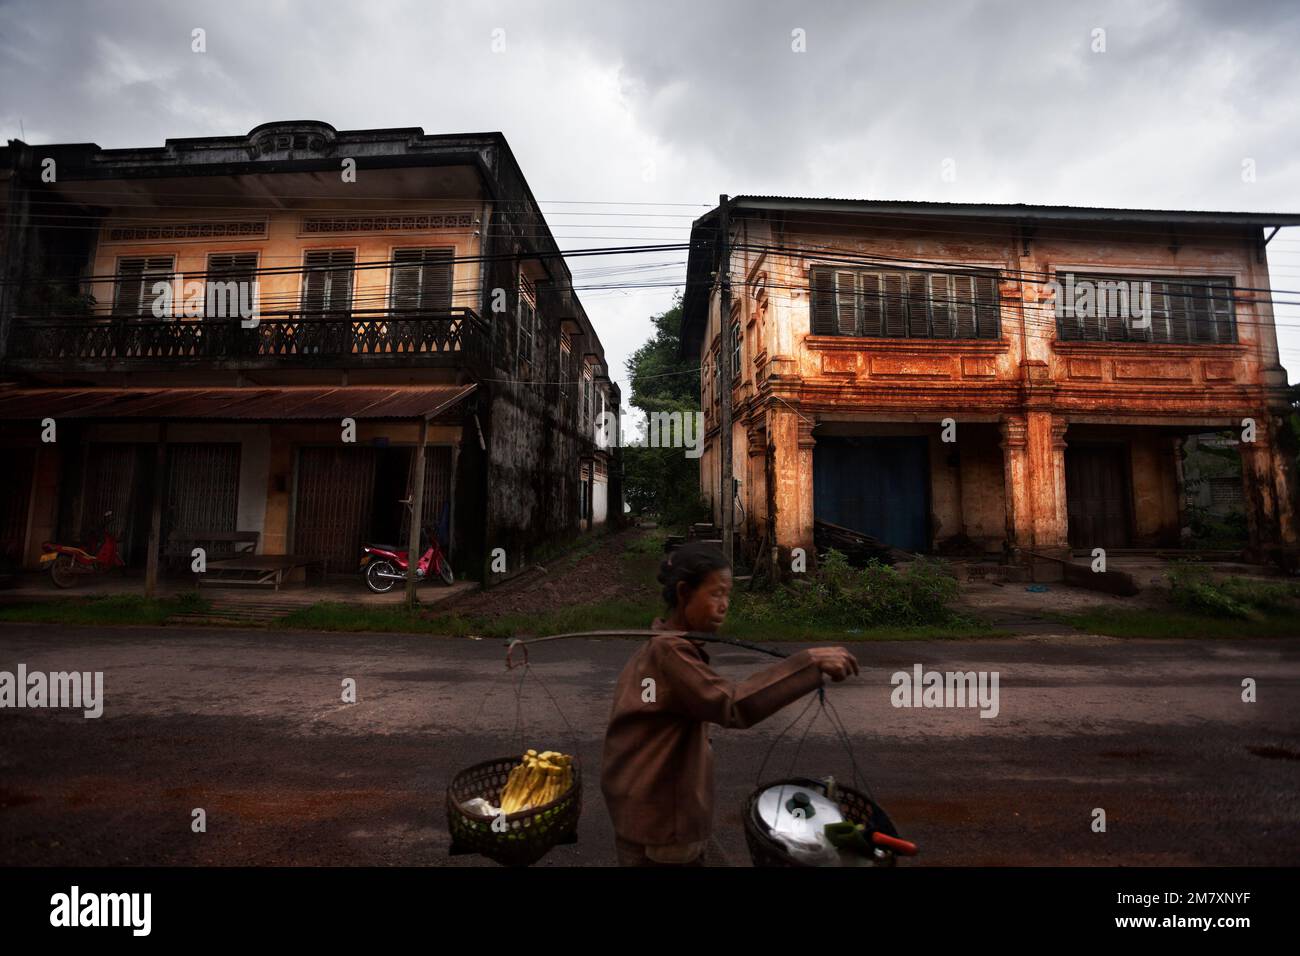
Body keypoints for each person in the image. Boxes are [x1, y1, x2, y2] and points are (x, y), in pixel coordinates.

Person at [600, 540, 859, 866]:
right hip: (662, 821)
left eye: (727, 596)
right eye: (715, 594)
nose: (724, 605)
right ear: (683, 594)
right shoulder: (669, 653)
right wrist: (809, 664)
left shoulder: (665, 645)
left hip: (648, 810)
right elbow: (732, 704)